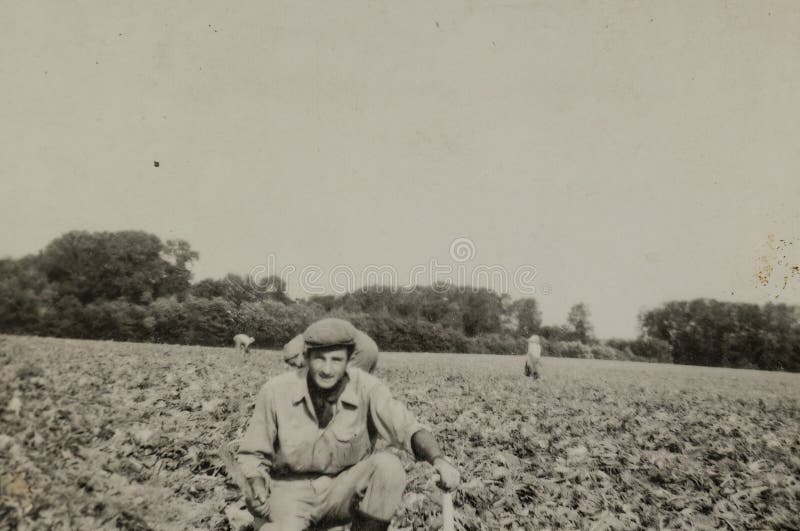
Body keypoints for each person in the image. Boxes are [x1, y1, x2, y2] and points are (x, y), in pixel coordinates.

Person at [237, 317, 460, 531]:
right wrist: (256, 484)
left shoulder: (367, 388)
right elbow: (252, 454)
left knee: (388, 468)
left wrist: (438, 460)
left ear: (349, 360)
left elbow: (406, 427)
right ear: (306, 357)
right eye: (319, 358)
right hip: (288, 493)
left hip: (341, 492)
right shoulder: (275, 391)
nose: (327, 369)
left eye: (336, 360)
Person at [283, 326, 379, 374]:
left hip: (361, 350)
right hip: (369, 346)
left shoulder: (311, 343)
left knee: (350, 387)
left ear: (298, 354)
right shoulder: (310, 337)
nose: (297, 366)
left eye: (294, 363)